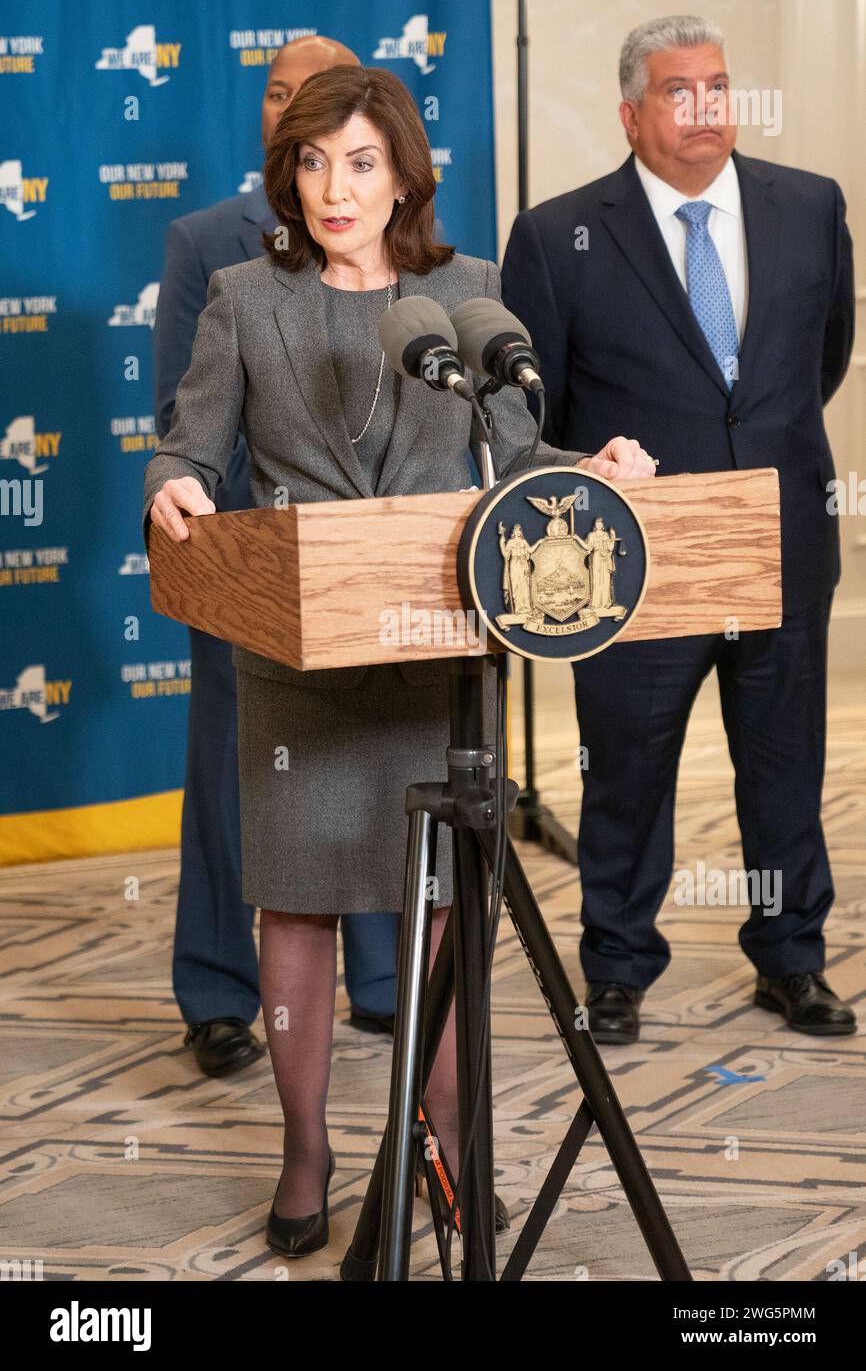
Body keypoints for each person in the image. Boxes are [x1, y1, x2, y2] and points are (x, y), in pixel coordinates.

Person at [144, 64, 654, 1257]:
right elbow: (187, 444)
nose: (334, 187)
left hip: (439, 656)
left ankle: (446, 1136)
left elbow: (522, 459)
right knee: (302, 905)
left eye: (360, 163)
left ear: (401, 175)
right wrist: (169, 485)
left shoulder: (471, 296)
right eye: (313, 163)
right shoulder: (242, 295)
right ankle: (305, 1146)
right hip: (299, 666)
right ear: (289, 176)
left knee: (442, 910)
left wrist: (600, 471)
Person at [501, 14, 856, 1044]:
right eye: (675, 91)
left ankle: (791, 959)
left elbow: (817, 362)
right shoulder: (558, 234)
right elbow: (542, 416)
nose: (702, 109)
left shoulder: (809, 206)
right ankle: (614, 967)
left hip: (781, 538)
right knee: (626, 769)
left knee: (784, 763)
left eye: (715, 87)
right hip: (636, 556)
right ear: (629, 112)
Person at [154, 36, 412, 1077]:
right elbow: (185, 418)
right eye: (280, 99)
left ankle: (385, 985)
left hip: (397, 602)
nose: (301, 114)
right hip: (256, 579)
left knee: (387, 787)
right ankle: (218, 993)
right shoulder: (208, 249)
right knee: (239, 791)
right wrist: (208, 527)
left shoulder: (438, 276)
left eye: (343, 132)